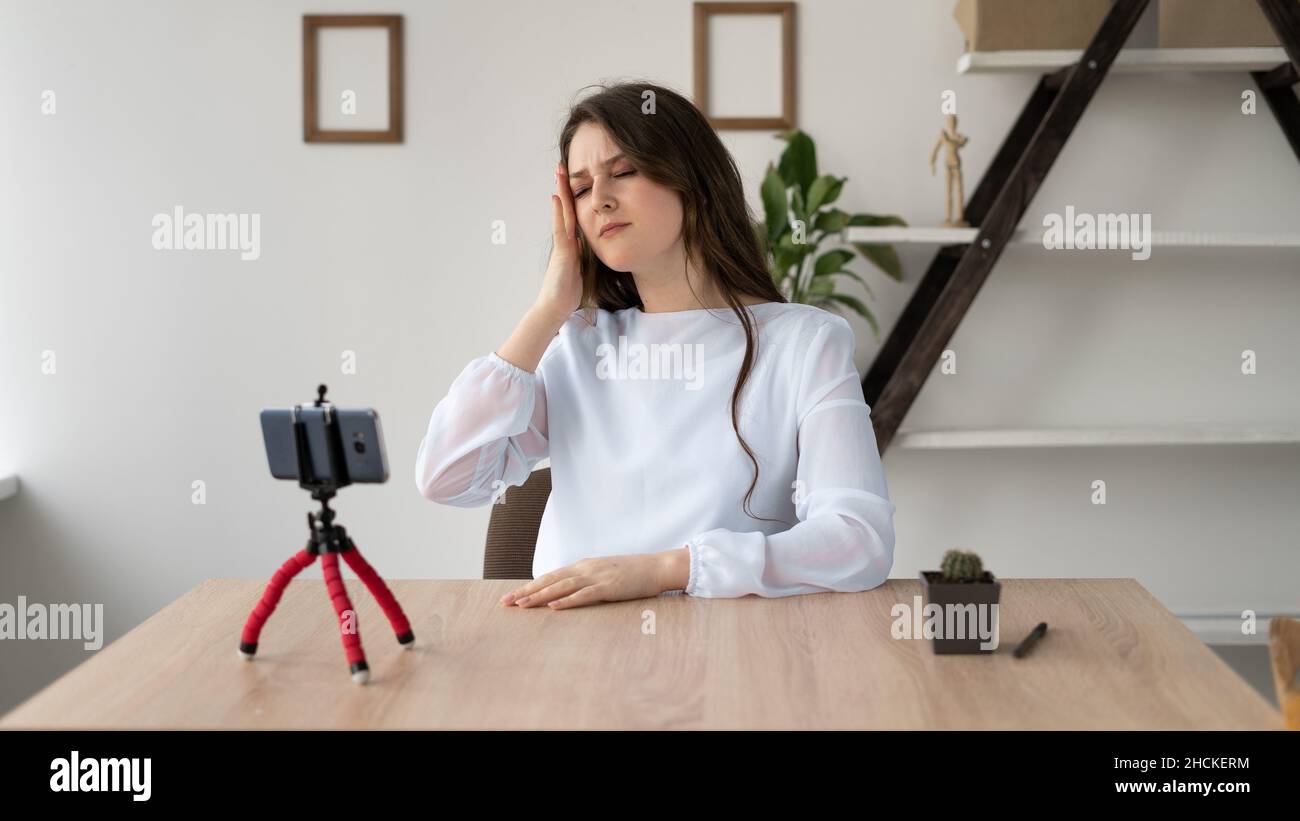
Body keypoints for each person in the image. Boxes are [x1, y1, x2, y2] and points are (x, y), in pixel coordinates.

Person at [415, 81, 896, 610]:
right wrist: (547, 311)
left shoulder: (804, 342)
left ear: (693, 181)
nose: (599, 200)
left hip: (727, 649)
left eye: (623, 172)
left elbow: (859, 539)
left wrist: (666, 569)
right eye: (579, 189)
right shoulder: (576, 345)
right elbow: (447, 478)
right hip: (566, 654)